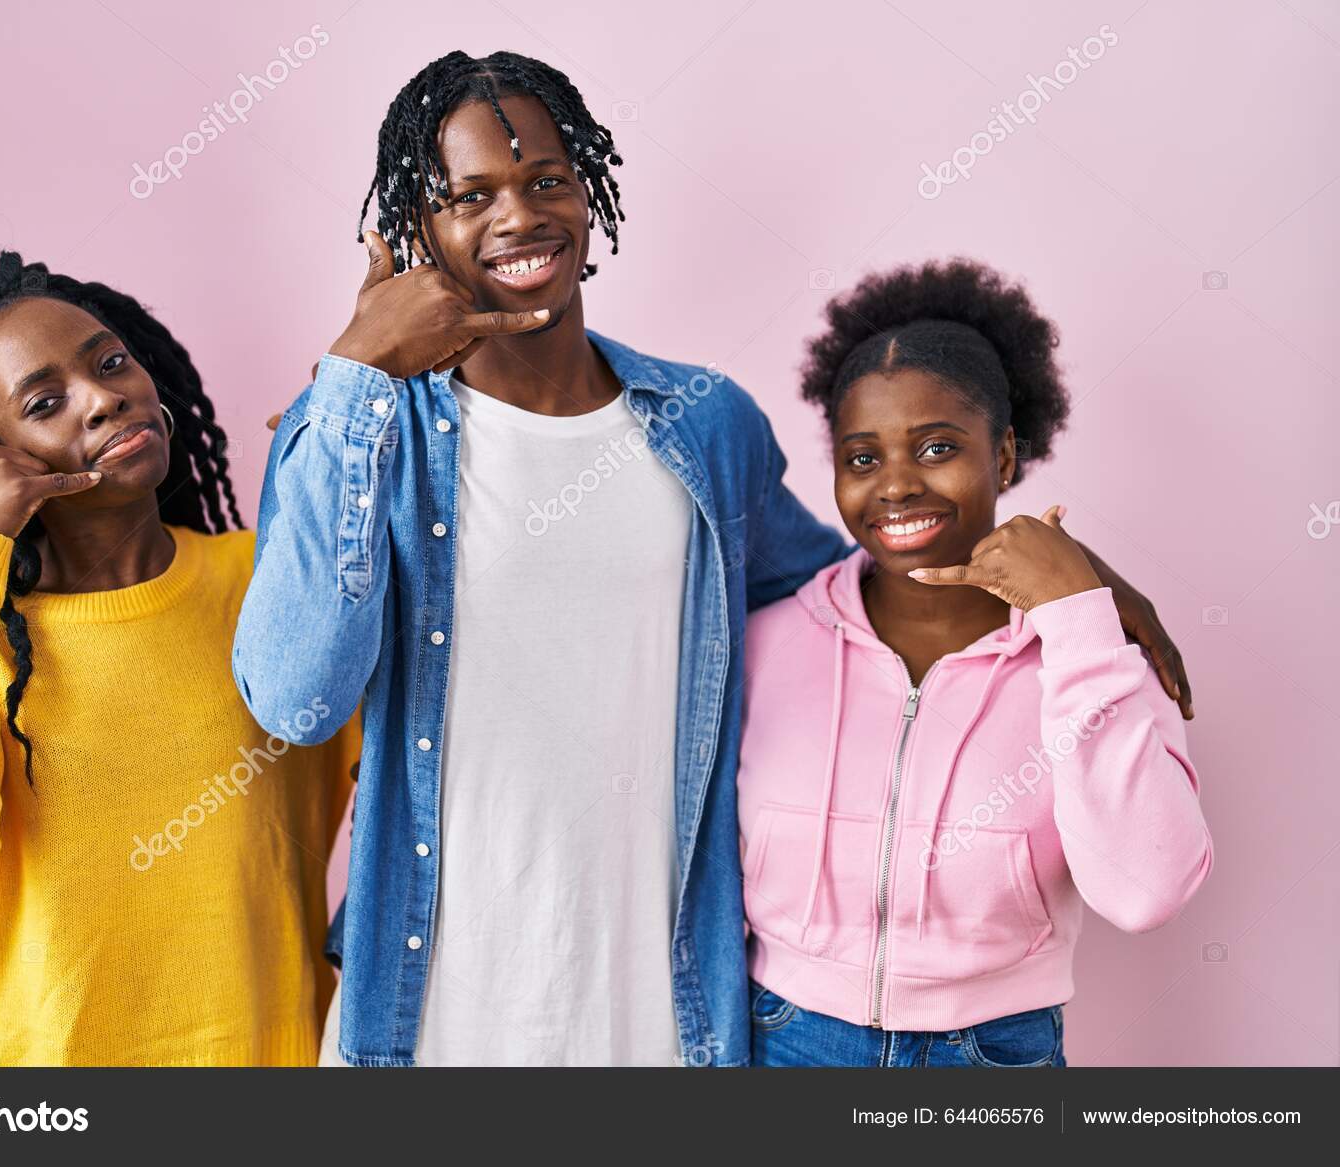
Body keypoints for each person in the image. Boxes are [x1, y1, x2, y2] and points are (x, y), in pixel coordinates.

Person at [232, 51, 1191, 1067]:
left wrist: (1078, 584)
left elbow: (861, 589)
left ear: (589, 194)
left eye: (547, 179)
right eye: (470, 196)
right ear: (417, 232)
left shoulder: (702, 426)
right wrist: (352, 378)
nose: (519, 216)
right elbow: (294, 699)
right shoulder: (360, 430)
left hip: (661, 1013)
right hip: (427, 1009)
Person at [0, 252, 358, 1066]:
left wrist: (361, 448)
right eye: (45, 402)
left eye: (112, 361)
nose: (104, 397)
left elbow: (436, 774)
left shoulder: (269, 580)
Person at [740, 259, 1212, 1066]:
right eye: (862, 458)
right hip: (784, 1040)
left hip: (992, 1054)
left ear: (1002, 457)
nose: (895, 485)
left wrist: (1073, 616)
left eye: (936, 447)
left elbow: (1145, 891)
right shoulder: (765, 640)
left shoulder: (1089, 651)